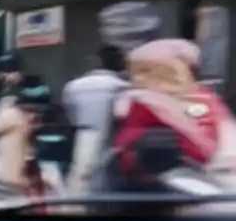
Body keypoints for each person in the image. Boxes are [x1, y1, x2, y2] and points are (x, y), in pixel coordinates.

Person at [113, 39, 236, 195]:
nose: (139, 77)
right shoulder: (137, 100)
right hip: (148, 183)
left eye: (147, 70)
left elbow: (211, 139)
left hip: (191, 180)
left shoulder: (203, 98)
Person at [63, 45, 129, 197]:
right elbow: (123, 114)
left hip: (82, 136)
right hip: (112, 139)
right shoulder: (123, 87)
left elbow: (71, 115)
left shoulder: (73, 86)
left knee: (80, 178)